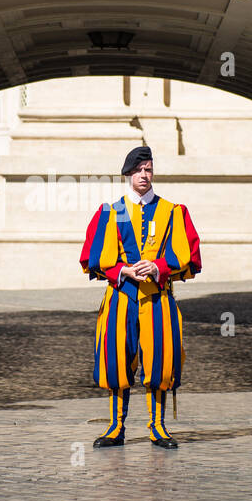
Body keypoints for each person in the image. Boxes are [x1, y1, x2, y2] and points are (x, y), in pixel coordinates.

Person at [79, 146, 201, 449]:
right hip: (121, 297)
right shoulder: (110, 212)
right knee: (116, 359)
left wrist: (159, 266)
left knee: (160, 359)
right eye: (138, 170)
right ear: (128, 174)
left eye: (148, 169)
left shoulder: (173, 212)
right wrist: (123, 270)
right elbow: (93, 257)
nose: (144, 175)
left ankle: (157, 427)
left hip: (158, 297)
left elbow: (191, 257)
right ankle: (115, 427)